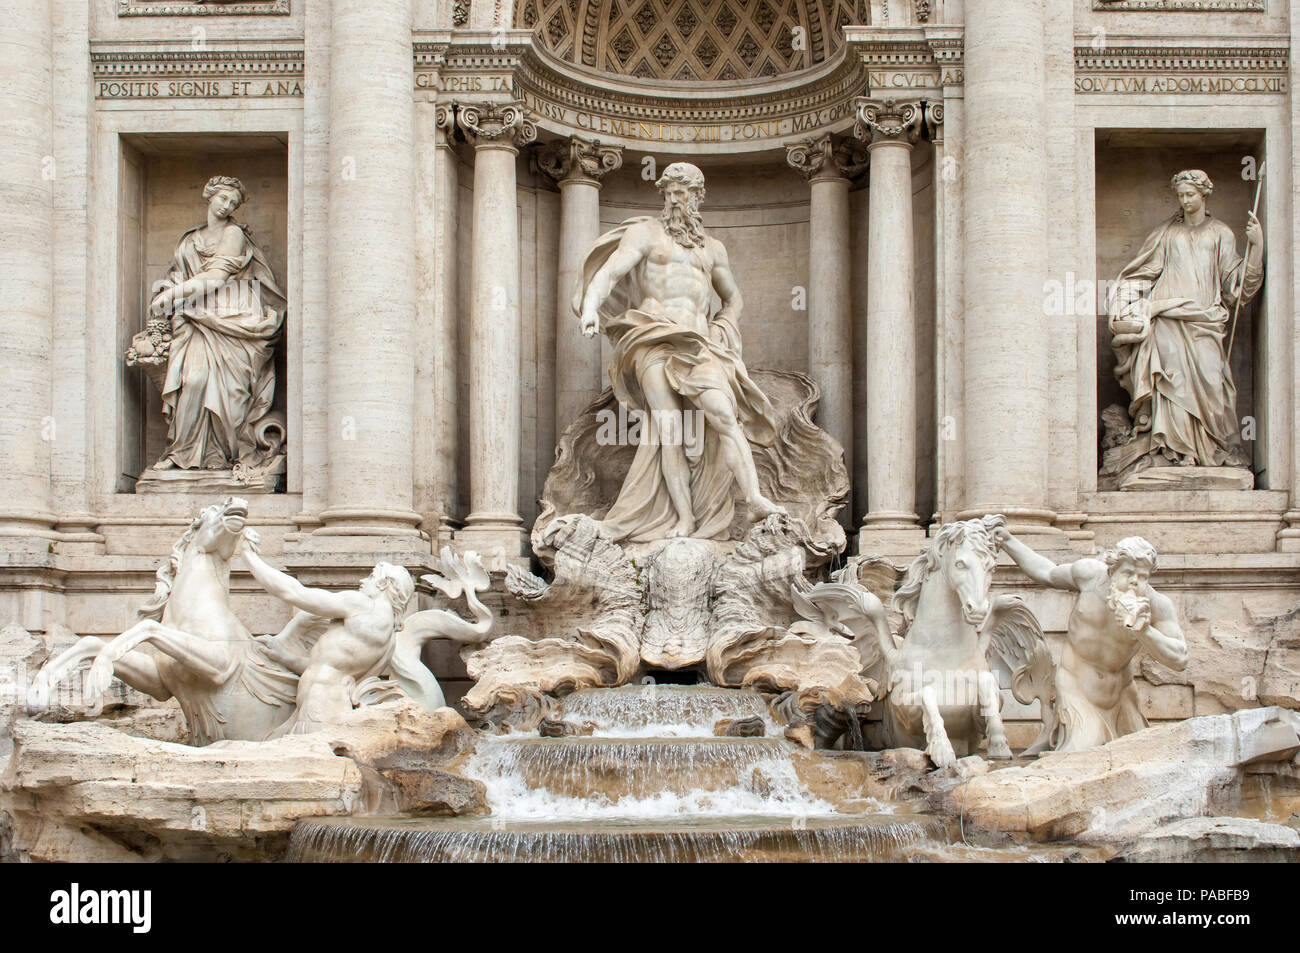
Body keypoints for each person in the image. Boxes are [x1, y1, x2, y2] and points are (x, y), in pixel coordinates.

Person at [573, 161, 785, 542]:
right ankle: (685, 520)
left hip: (700, 343)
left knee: (724, 415)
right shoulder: (645, 234)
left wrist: (724, 326)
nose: (674, 199)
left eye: (682, 192)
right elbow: (609, 273)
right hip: (651, 336)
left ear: (698, 197)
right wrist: (590, 307)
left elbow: (734, 298)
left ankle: (753, 498)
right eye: (669, 192)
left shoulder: (714, 250)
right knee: (668, 427)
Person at [1105, 169, 1263, 475]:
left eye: (1190, 194)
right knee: (1170, 382)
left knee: (1212, 384)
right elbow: (1141, 273)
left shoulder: (1220, 233)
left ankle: (1210, 448)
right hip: (1167, 319)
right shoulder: (1167, 233)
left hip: (1204, 320)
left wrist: (1256, 247)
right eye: (1181, 195)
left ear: (1204, 194)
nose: (1185, 200)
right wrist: (1126, 302)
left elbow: (1238, 287)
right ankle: (1174, 451)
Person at [995, 529, 1188, 750]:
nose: (1135, 581)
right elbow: (1046, 572)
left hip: (1121, 698)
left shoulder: (1155, 605)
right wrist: (1008, 542)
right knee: (1081, 755)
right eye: (1128, 573)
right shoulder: (1089, 576)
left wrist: (1145, 631)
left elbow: (1180, 658)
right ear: (1112, 568)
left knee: (1134, 758)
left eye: (1142, 576)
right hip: (1077, 692)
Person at [149, 175, 286, 471]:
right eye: (223, 198)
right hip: (195, 319)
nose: (227, 205)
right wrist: (168, 289)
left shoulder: (233, 234)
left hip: (230, 316)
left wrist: (173, 294)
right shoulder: (188, 240)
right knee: (194, 381)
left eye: (233, 203)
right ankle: (182, 453)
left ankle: (222, 456)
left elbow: (215, 278)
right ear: (209, 195)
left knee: (228, 393)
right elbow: (179, 275)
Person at [238, 529, 414, 735]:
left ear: (384, 583)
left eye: (371, 577)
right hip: (327, 704)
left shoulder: (364, 606)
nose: (362, 582)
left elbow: (294, 592)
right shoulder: (389, 636)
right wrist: (283, 656)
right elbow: (327, 666)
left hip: (320, 706)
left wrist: (248, 556)